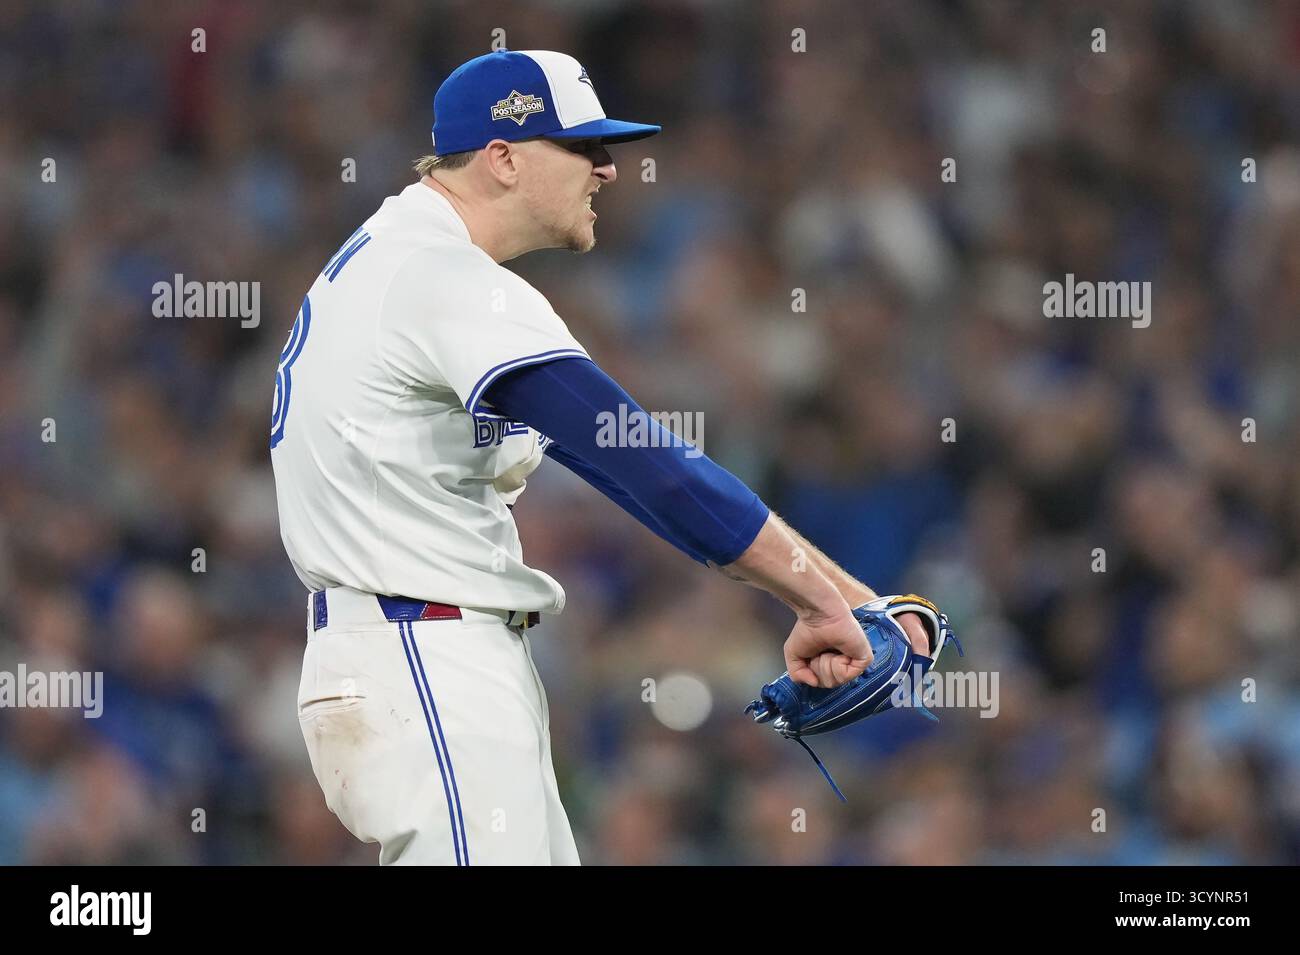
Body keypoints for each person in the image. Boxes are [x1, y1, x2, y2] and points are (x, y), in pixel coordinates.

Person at [270, 49, 928, 865]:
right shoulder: (438, 275)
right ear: (502, 158)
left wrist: (848, 597)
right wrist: (830, 601)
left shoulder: (395, 259)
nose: (610, 171)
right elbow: (649, 464)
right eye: (584, 147)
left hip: (417, 655)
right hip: (423, 657)